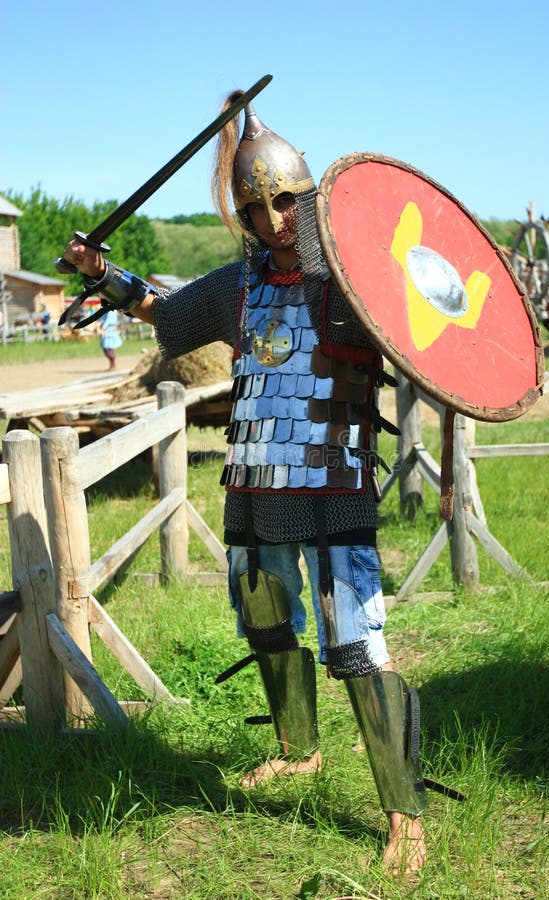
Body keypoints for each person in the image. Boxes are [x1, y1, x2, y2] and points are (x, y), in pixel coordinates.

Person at [61, 93, 429, 875]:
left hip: (333, 479)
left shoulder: (352, 277)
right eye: (257, 208)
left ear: (308, 198)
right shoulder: (239, 285)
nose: (273, 220)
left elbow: (424, 328)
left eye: (285, 201)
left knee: (357, 641)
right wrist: (104, 274)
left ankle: (404, 813)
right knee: (265, 621)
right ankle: (299, 751)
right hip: (255, 478)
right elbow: (168, 315)